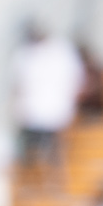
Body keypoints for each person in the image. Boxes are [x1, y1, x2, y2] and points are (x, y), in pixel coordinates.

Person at [10, 20, 84, 172]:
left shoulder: (61, 51)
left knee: (56, 150)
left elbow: (75, 78)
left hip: (56, 111)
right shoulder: (24, 55)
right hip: (33, 113)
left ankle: (56, 182)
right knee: (30, 152)